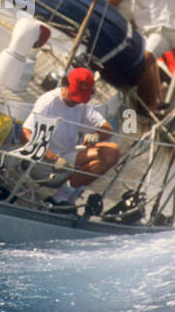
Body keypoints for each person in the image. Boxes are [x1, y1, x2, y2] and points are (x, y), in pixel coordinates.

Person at [18, 67, 120, 208]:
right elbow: (25, 133)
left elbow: (108, 130)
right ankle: (62, 198)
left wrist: (94, 136)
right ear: (65, 85)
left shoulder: (83, 104)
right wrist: (52, 156)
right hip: (42, 163)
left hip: (66, 158)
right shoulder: (48, 101)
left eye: (80, 97)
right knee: (107, 154)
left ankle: (65, 197)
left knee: (113, 150)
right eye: (74, 95)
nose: (76, 101)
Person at [106, 0, 175, 113]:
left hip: (163, 30)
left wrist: (92, 1)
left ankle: (150, 109)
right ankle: (158, 100)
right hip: (161, 28)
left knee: (140, 62)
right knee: (148, 61)